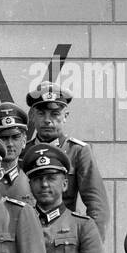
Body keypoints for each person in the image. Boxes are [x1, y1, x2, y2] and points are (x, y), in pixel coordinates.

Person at [26, 82, 110, 238]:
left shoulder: (78, 151)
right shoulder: (23, 152)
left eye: (55, 114)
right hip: (27, 235)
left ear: (65, 116)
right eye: (41, 113)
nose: (47, 120)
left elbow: (97, 205)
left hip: (65, 237)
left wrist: (92, 247)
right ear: (32, 116)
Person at [0, 103, 34, 205]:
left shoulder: (32, 179)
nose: (9, 144)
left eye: (15, 137)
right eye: (3, 138)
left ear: (24, 141)